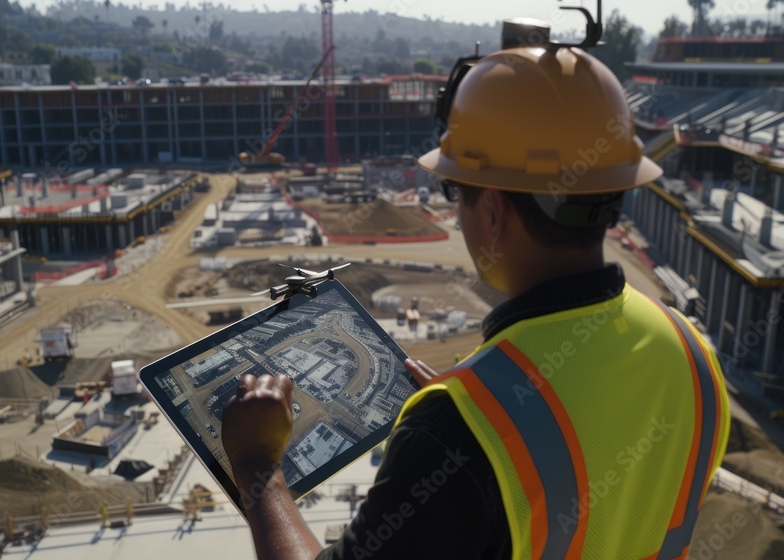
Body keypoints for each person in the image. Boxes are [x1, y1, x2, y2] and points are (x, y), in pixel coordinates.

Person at [221, 19, 730, 560]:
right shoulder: (696, 359)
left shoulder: (448, 436)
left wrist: (258, 467)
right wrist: (481, 406)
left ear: (492, 209)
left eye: (453, 190)